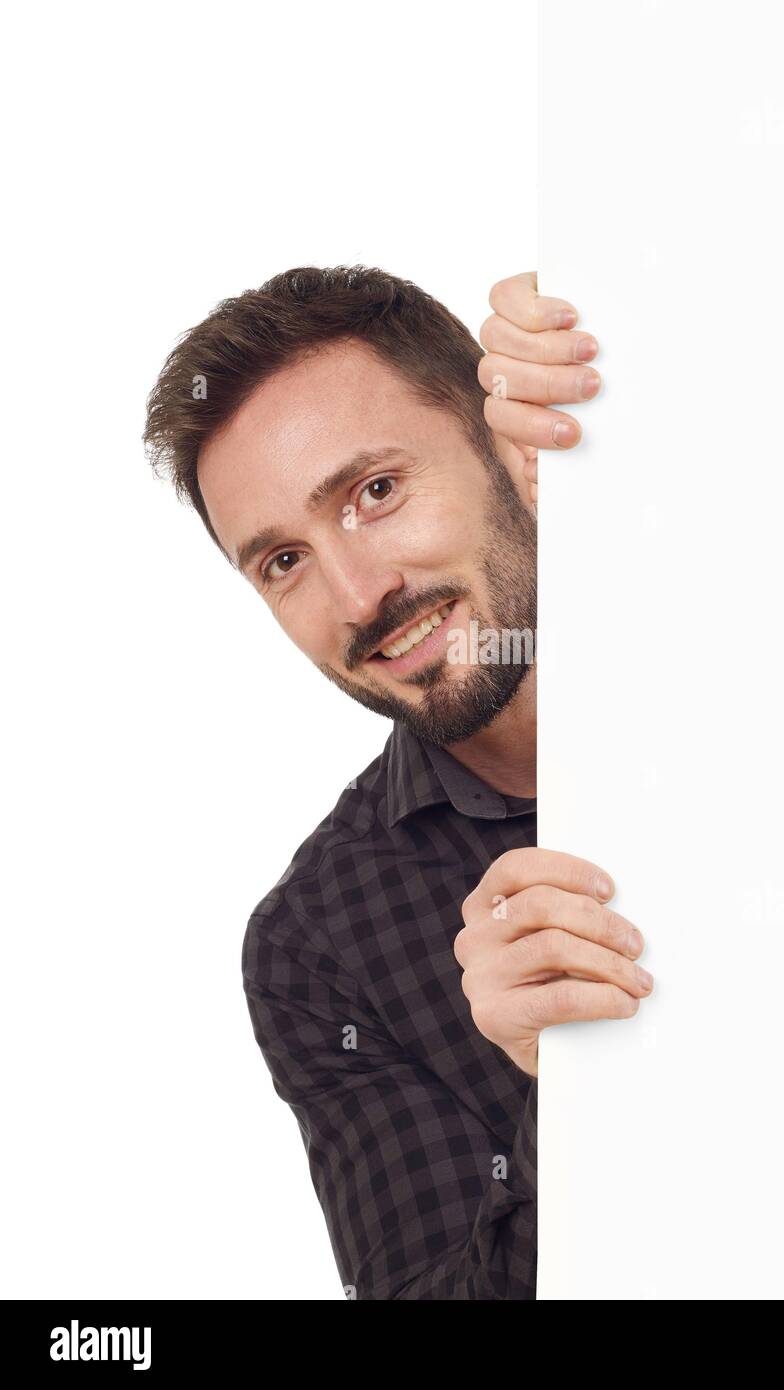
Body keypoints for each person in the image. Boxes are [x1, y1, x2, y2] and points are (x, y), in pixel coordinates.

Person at [143, 267, 654, 1299]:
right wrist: (574, 1092)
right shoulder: (317, 942)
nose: (361, 593)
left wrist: (625, 324)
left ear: (500, 444)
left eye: (374, 492)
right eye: (284, 559)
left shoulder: (771, 653)